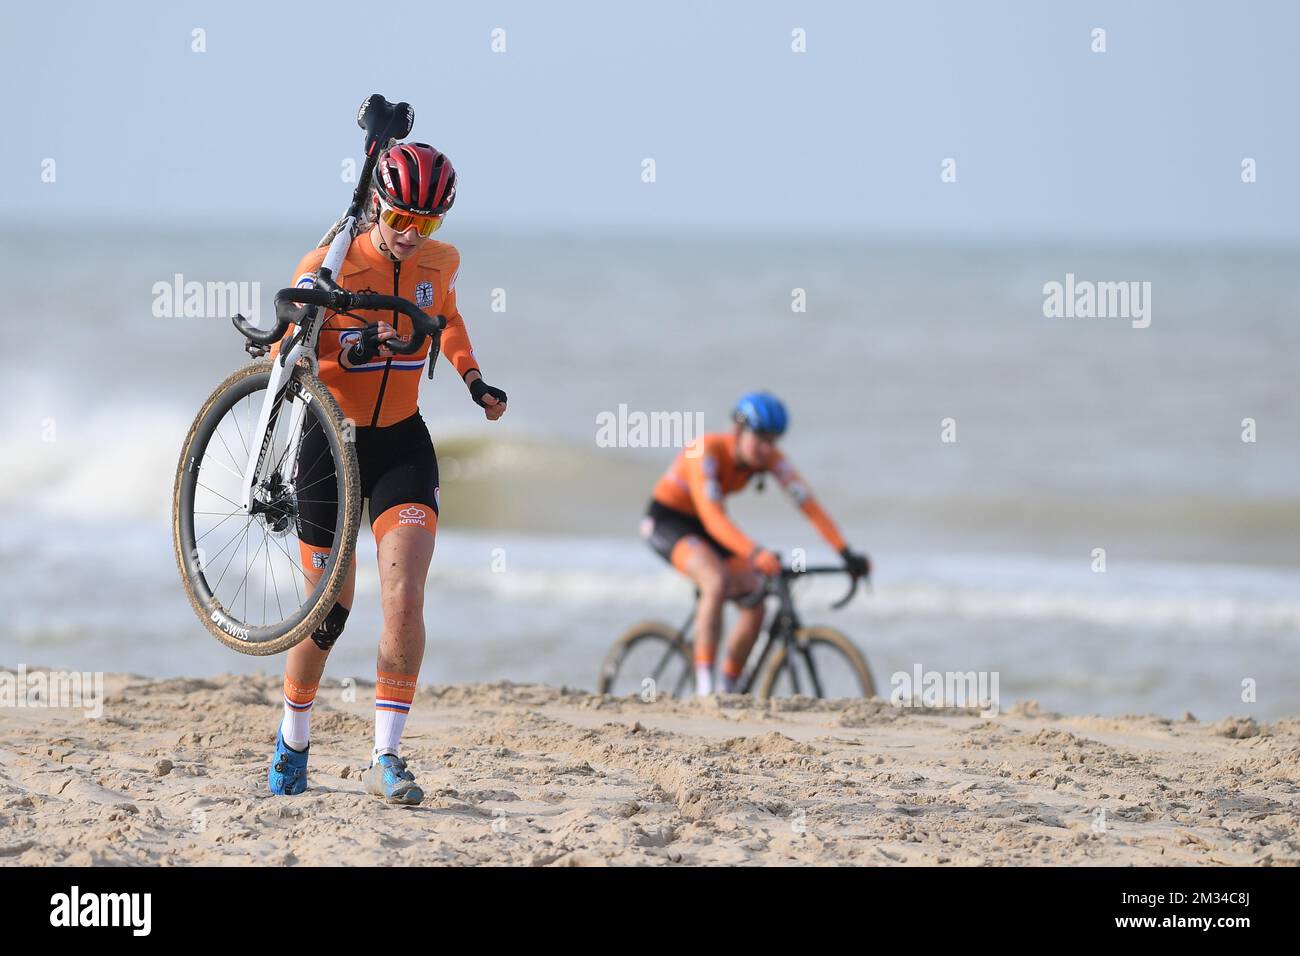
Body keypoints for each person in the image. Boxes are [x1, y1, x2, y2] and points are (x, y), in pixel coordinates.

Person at [267, 142, 509, 804]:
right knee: (330, 614)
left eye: (427, 224)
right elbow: (294, 353)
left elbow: (448, 320)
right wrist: (356, 342)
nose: (411, 235)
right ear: (378, 203)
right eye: (402, 218)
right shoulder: (332, 263)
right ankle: (293, 738)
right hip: (331, 445)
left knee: (404, 599)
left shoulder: (441, 261)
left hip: (402, 443)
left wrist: (473, 380)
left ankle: (387, 757)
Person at [641, 391, 869, 695]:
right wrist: (755, 552)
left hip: (709, 528)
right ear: (737, 431)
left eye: (773, 440)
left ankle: (727, 688)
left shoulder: (771, 460)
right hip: (667, 522)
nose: (767, 448)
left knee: (756, 601)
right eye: (760, 437)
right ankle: (705, 691)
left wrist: (844, 551)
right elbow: (712, 517)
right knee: (715, 580)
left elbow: (809, 506)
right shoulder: (704, 451)